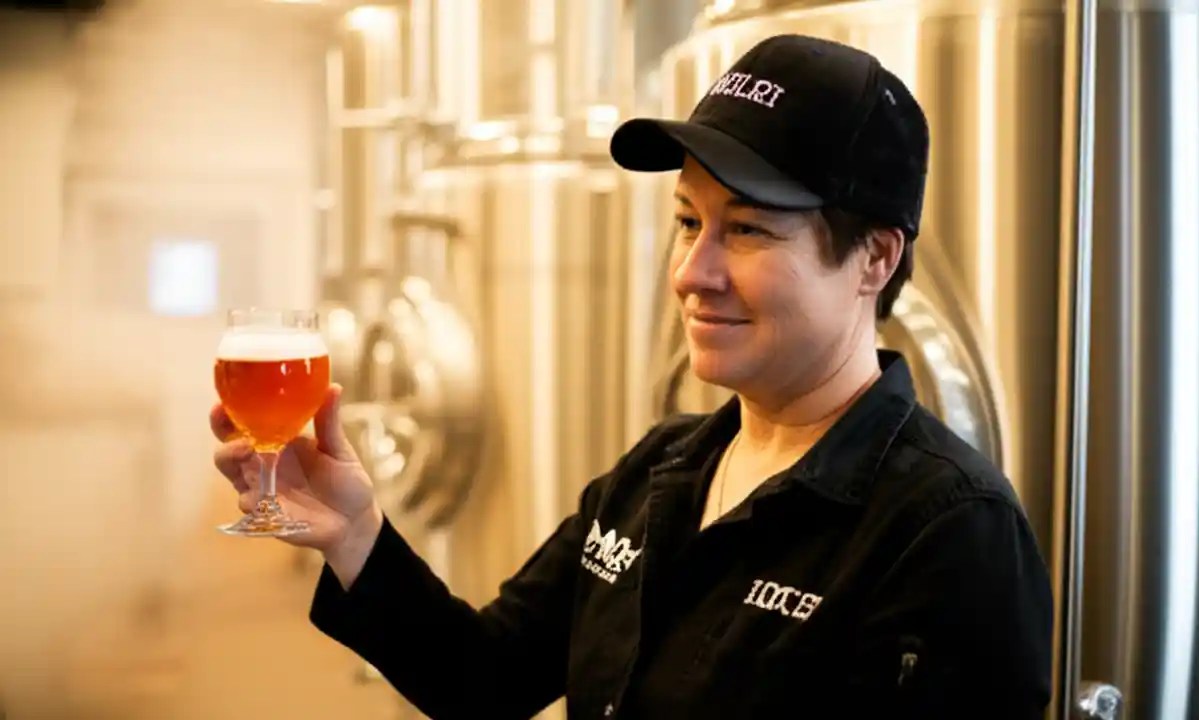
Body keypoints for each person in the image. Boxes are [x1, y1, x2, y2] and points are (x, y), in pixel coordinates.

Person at [210, 34, 1053, 719]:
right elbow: (485, 680)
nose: (693, 271)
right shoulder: (661, 470)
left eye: (750, 230)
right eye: (688, 221)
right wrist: (356, 535)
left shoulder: (946, 532)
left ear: (873, 257)